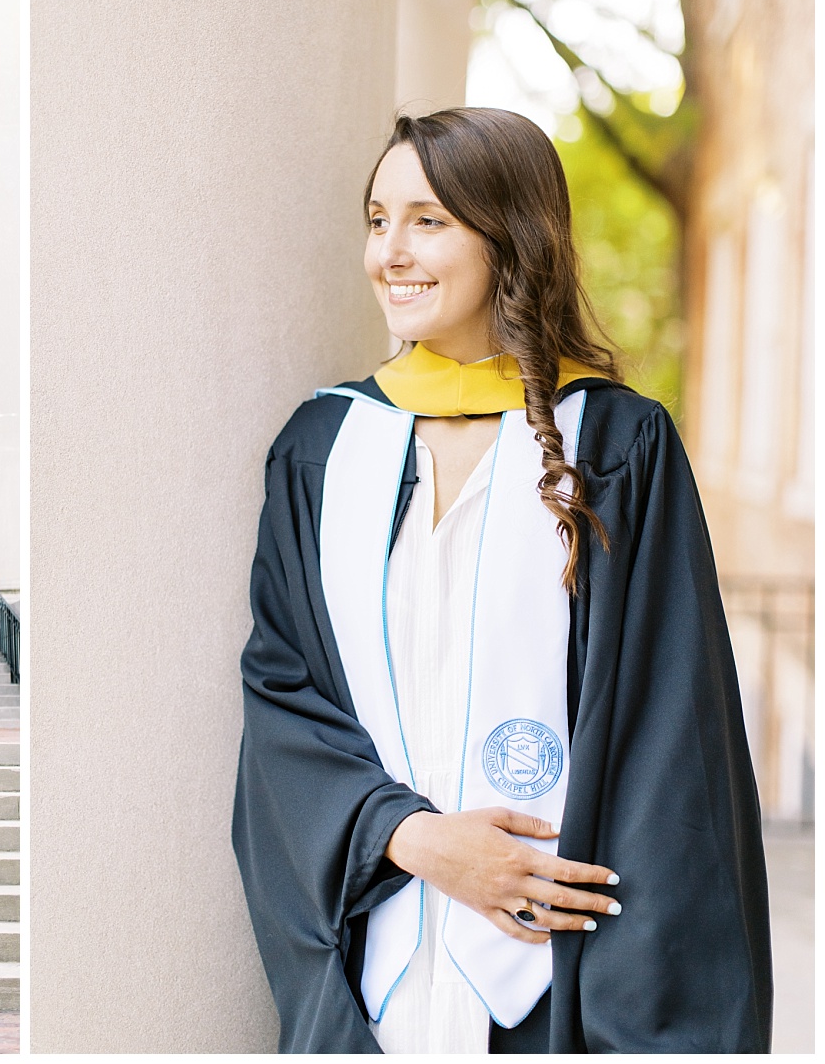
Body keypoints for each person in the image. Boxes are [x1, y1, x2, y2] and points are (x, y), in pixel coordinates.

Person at [231, 107, 771, 1053]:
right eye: (376, 219)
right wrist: (411, 837)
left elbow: (671, 751)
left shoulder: (614, 447)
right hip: (377, 982)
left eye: (428, 221)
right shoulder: (324, 448)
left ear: (510, 238)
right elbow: (284, 699)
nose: (389, 252)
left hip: (559, 992)